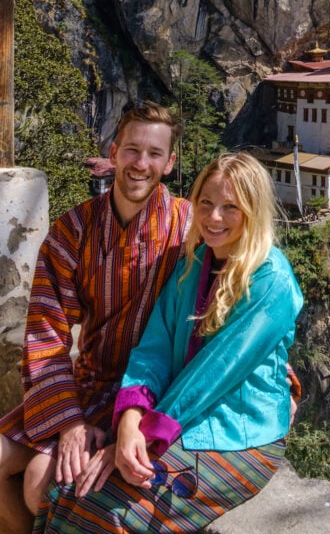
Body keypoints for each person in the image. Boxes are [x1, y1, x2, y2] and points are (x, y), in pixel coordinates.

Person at [34, 152, 303, 534]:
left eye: (231, 207)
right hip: (175, 417)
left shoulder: (269, 280)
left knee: (105, 516)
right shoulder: (194, 264)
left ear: (252, 212)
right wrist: (128, 419)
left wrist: (140, 437)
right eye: (206, 203)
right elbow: (153, 351)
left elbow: (211, 377)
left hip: (237, 433)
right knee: (66, 493)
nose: (213, 217)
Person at [0, 102, 191, 534]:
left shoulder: (188, 229)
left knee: (40, 483)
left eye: (155, 153)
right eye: (132, 149)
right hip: (85, 385)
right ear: (114, 150)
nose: (141, 164)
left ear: (170, 162)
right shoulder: (73, 232)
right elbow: (47, 332)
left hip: (147, 394)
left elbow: (231, 305)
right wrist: (68, 423)